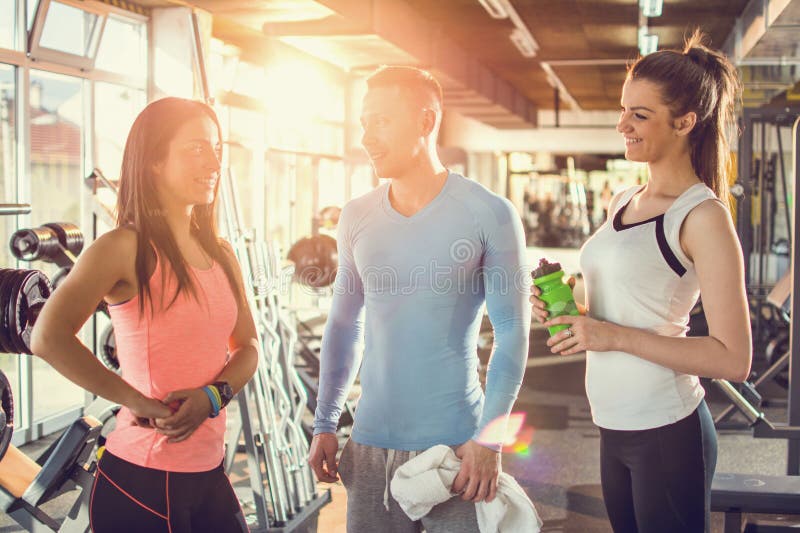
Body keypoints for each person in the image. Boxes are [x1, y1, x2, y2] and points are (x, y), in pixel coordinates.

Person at [531, 32, 751, 533]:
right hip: (612, 421)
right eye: (623, 109)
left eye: (639, 115)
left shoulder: (701, 216)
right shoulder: (623, 200)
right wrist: (572, 311)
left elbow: (733, 359)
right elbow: (629, 304)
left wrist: (609, 337)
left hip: (667, 428)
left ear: (685, 122)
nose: (621, 124)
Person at [307, 66, 531, 532]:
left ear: (427, 122)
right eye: (363, 122)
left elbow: (512, 331)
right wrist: (325, 422)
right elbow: (345, 324)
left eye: (382, 121)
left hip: (456, 450)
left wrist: (490, 441)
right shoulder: (356, 216)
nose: (367, 136)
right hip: (368, 446)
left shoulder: (489, 213)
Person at [31, 97, 259, 532]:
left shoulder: (222, 253)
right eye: (196, 148)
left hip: (209, 471)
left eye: (216, 148)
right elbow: (48, 337)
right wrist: (133, 399)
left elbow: (247, 347)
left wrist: (213, 397)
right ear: (154, 161)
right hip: (143, 477)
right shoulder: (123, 248)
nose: (213, 161)